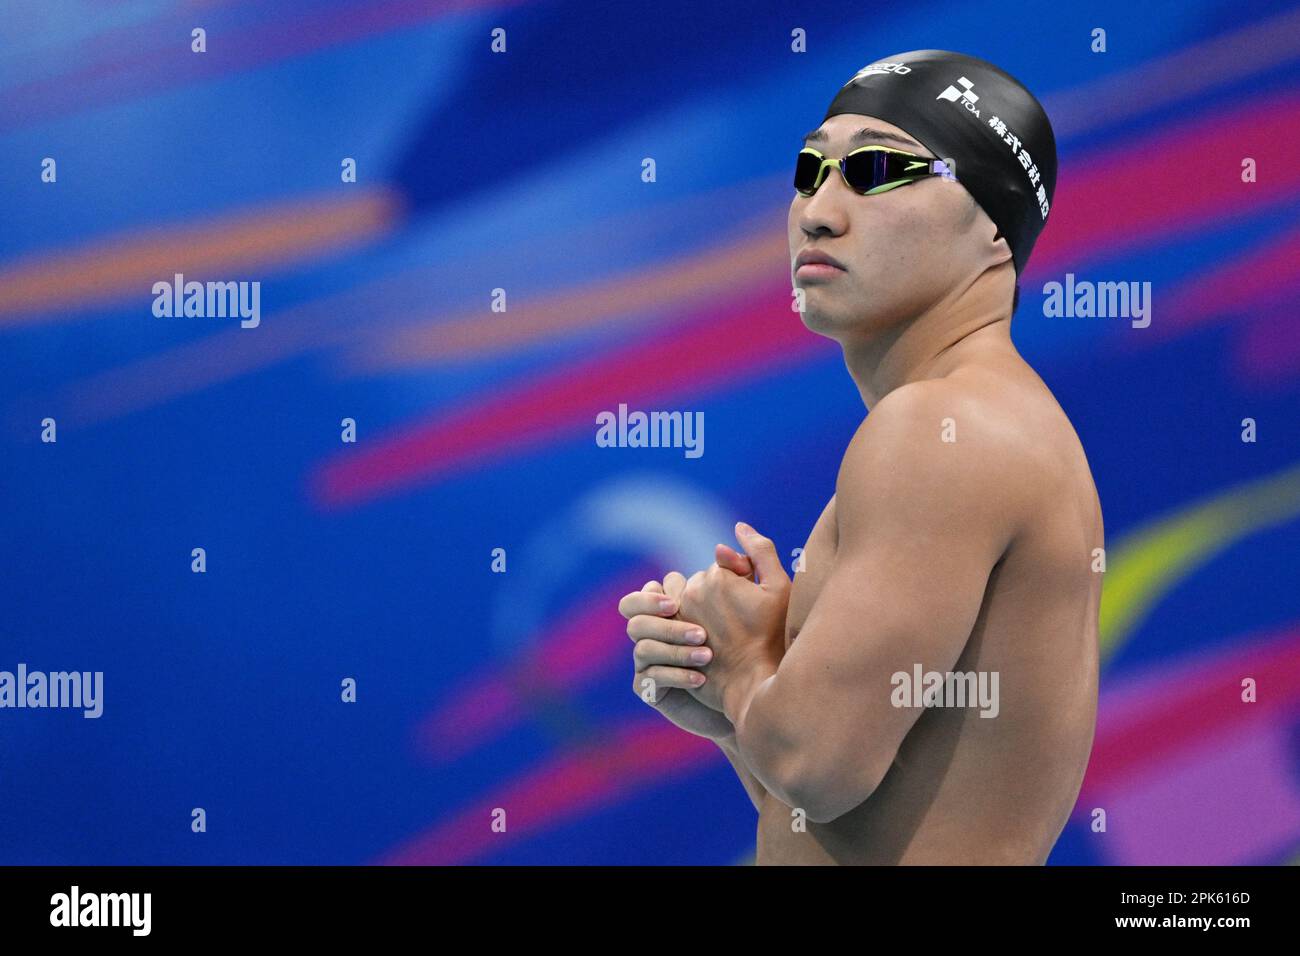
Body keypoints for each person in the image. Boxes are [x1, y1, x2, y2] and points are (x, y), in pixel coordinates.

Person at [620, 50, 1102, 864]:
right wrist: (735, 704)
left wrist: (743, 663)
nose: (817, 210)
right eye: (810, 171)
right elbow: (843, 826)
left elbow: (819, 764)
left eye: (878, 170)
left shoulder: (940, 428)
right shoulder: (975, 419)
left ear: (993, 221)